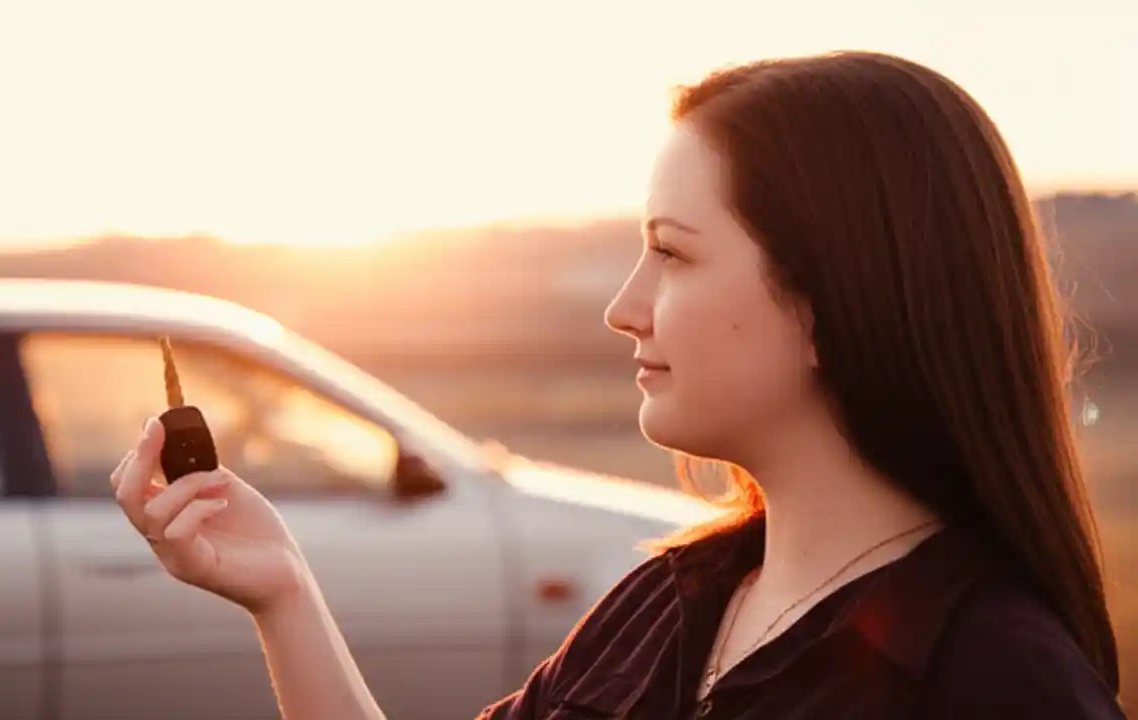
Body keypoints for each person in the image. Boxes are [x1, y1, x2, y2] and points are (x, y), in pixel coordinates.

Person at [109, 50, 1127, 719]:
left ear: (827, 303)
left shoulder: (993, 680)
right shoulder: (667, 603)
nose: (623, 306)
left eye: (673, 255)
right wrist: (283, 594)